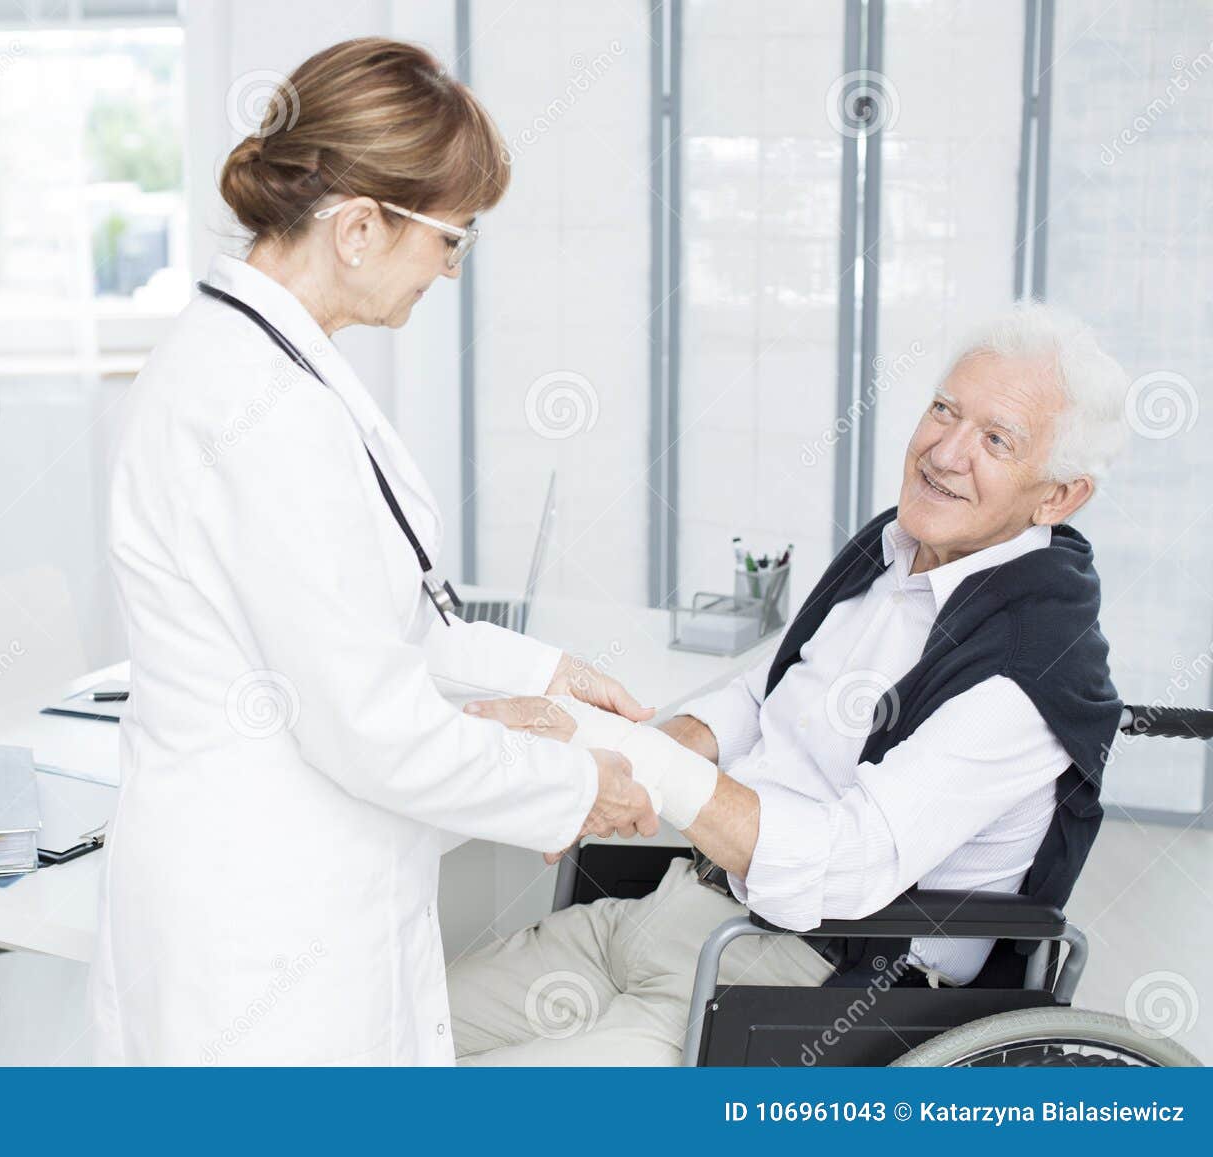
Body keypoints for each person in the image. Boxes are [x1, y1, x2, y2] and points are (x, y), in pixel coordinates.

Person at [88, 37, 657, 1066]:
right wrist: (574, 789)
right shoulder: (257, 408)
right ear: (357, 228)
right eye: (451, 239)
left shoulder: (271, 363)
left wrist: (541, 674)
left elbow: (373, 621)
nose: (448, 269)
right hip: (262, 926)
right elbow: (372, 726)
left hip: (281, 881)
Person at [453, 303, 1131, 1064]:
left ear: (1058, 496)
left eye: (996, 439)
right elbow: (768, 693)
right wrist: (621, 762)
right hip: (670, 913)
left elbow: (843, 863)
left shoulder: (1030, 670)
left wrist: (632, 754)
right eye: (944, 409)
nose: (944, 453)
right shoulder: (896, 549)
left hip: (801, 987)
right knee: (382, 1034)